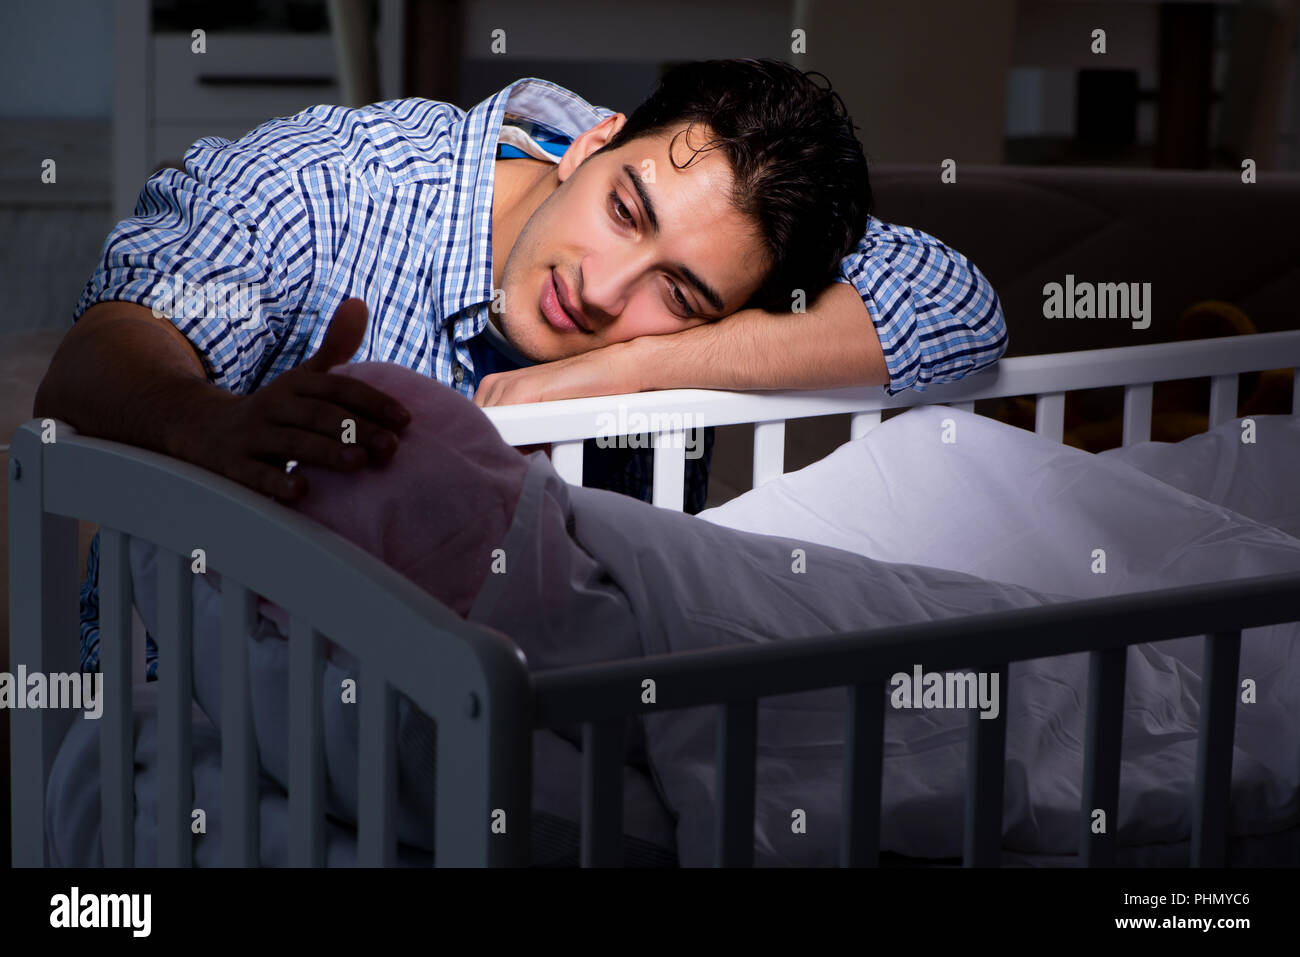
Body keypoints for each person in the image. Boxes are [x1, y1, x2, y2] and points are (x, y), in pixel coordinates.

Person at [33, 58, 1007, 678]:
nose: (602, 289)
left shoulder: (733, 239)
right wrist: (206, 423)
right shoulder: (330, 189)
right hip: (211, 696)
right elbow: (97, 356)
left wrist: (622, 372)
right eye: (627, 211)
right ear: (592, 139)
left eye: (680, 292)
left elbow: (954, 302)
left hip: (532, 701)